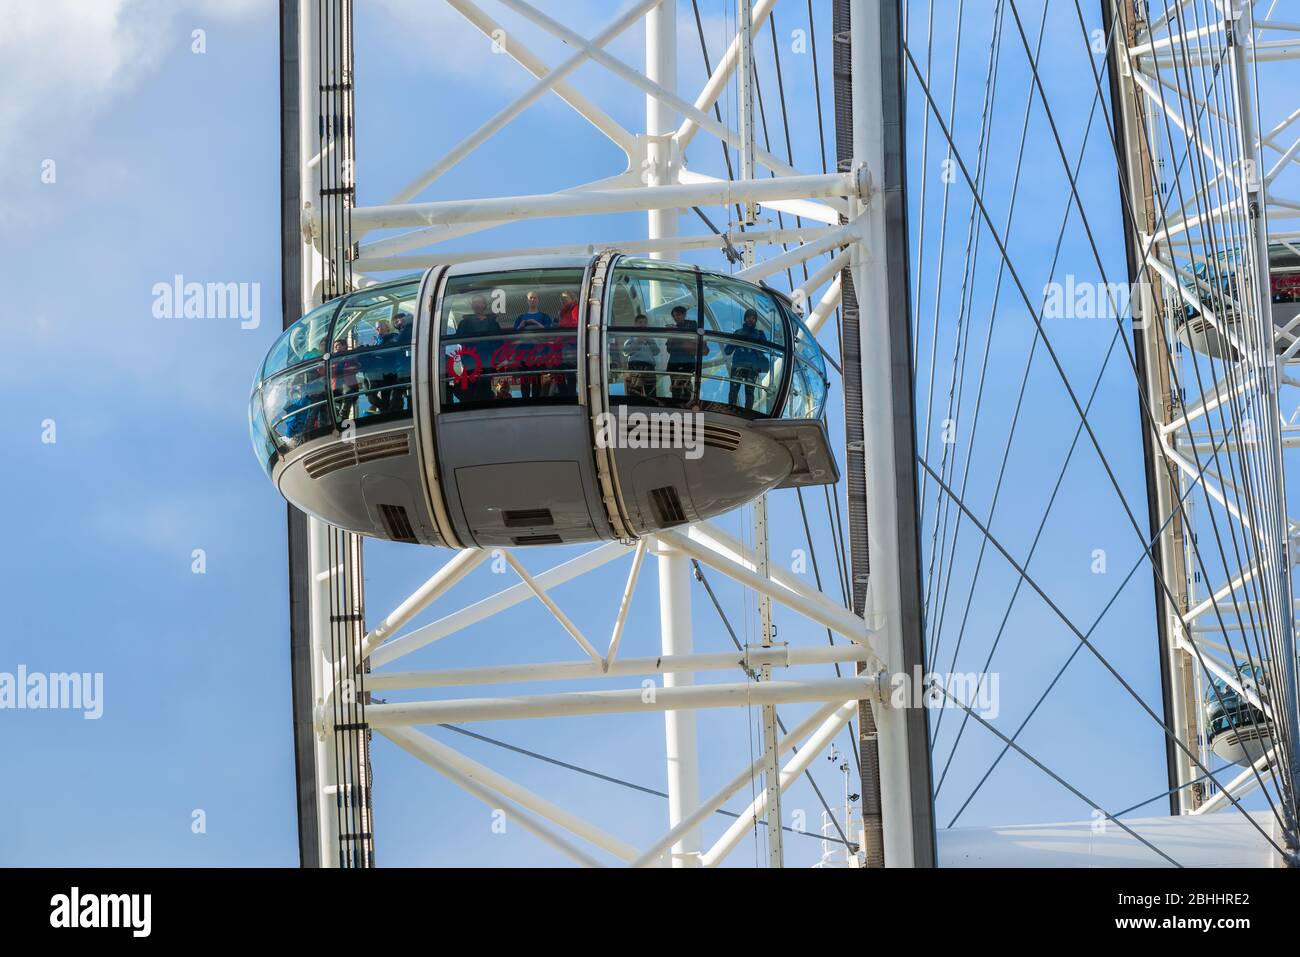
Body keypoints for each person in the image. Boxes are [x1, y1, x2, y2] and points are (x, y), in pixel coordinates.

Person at [450, 295, 501, 402]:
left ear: (484, 305)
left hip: (486, 364)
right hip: (470, 364)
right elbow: (458, 339)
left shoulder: (493, 323)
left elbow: (499, 343)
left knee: (484, 390)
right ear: (472, 305)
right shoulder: (464, 323)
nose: (477, 304)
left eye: (479, 302)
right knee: (470, 392)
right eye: (475, 302)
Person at [723, 308, 770, 411]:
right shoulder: (739, 332)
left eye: (753, 318)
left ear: (756, 320)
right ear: (745, 319)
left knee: (747, 391)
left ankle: (742, 411)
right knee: (736, 389)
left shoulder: (758, 334)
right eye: (749, 317)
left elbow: (765, 349)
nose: (750, 319)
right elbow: (728, 350)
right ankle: (732, 409)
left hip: (749, 367)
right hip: (742, 365)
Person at [514, 291, 553, 399]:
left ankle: (536, 401)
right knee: (524, 381)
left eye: (535, 298)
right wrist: (521, 326)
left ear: (538, 300)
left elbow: (549, 334)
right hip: (524, 354)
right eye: (531, 298)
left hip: (539, 354)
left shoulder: (544, 316)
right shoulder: (520, 317)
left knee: (537, 381)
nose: (532, 300)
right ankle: (525, 402)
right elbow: (513, 336)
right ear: (527, 300)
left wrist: (537, 324)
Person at [622, 313, 661, 399]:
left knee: (651, 392)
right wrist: (638, 341)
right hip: (635, 366)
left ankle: (651, 407)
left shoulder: (650, 339)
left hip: (649, 367)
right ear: (635, 324)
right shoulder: (631, 339)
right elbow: (625, 352)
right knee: (634, 391)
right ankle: (635, 409)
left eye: (645, 322)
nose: (643, 324)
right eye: (640, 322)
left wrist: (649, 341)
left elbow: (656, 351)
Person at [665, 304, 698, 403]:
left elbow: (692, 337)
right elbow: (669, 349)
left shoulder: (691, 324)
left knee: (685, 384)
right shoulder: (674, 328)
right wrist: (671, 337)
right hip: (675, 361)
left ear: (684, 314)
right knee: (675, 387)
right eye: (674, 316)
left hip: (686, 361)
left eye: (678, 315)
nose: (676, 318)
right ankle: (677, 407)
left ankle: (686, 406)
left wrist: (675, 333)